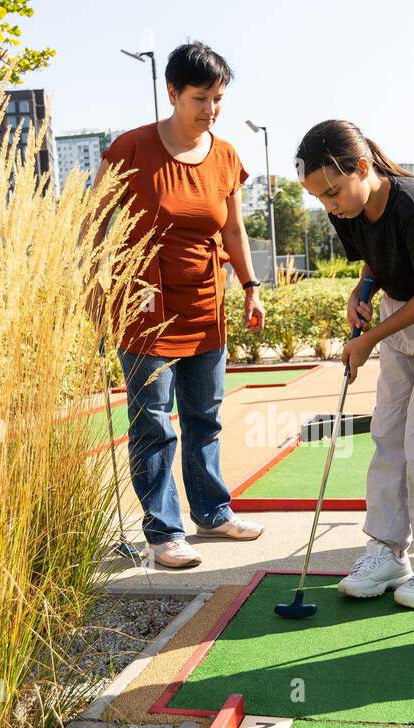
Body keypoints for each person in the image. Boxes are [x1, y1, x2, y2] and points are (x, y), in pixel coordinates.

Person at [296, 119, 414, 609]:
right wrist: (362, 293)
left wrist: (370, 339)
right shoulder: (347, 208)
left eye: (333, 192)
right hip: (399, 309)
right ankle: (387, 550)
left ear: (363, 167)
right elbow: (374, 260)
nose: (328, 205)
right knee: (388, 431)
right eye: (319, 197)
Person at [92, 42, 264, 569]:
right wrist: (95, 286)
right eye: (200, 98)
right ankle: (163, 531)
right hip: (145, 308)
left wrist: (251, 285)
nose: (210, 109)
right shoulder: (131, 149)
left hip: (206, 302)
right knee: (153, 424)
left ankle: (212, 512)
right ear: (172, 92)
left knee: (204, 416)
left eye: (217, 99)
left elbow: (232, 227)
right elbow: (94, 221)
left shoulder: (226, 154)